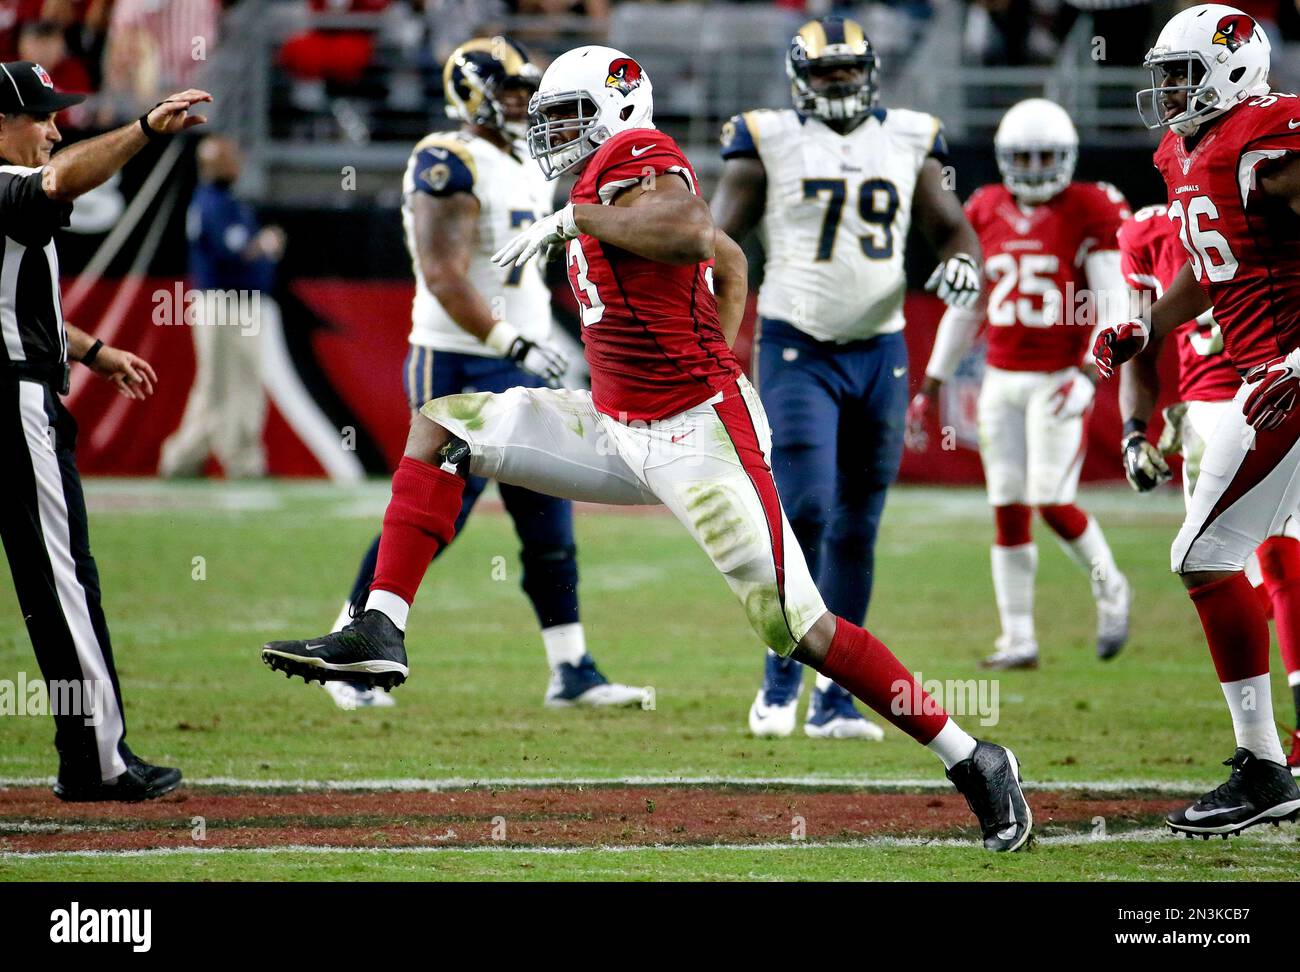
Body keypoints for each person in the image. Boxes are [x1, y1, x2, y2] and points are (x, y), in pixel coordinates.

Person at [261, 45, 1033, 852]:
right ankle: (380, 626)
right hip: (616, 425)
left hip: (698, 437)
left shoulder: (638, 152)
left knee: (800, 630)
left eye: (568, 115)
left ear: (617, 106)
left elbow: (695, 233)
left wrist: (604, 246)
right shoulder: (601, 175)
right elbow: (731, 259)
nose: (553, 132)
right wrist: (712, 338)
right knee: (443, 428)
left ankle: (974, 757)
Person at [320, 36, 648, 711]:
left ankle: (571, 668)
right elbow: (443, 275)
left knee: (548, 517)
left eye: (528, 91)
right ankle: (349, 647)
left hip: (520, 357)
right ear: (471, 95)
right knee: (434, 512)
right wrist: (511, 340)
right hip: (459, 359)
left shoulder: (530, 160)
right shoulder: (449, 158)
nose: (525, 104)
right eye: (511, 92)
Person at [711, 16, 983, 739]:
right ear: (800, 78)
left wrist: (963, 263)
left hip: (880, 351)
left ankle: (835, 699)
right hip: (797, 348)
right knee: (804, 510)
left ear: (870, 73)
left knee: (858, 526)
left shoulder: (912, 136)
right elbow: (718, 237)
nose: (838, 82)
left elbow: (951, 227)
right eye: (825, 71)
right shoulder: (767, 136)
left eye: (849, 69)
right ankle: (778, 679)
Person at [1092, 3, 1300, 835]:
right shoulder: (1186, 151)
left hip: (1282, 376)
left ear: (1234, 67)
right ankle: (1266, 766)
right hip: (1265, 375)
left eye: (1183, 75)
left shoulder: (1267, 135)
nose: (1170, 92)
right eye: (1165, 77)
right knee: (1227, 555)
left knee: (1204, 553)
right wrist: (1149, 325)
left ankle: (1264, 769)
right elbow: (1215, 270)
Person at [0, 60, 210, 800]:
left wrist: (91, 351)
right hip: (13, 405)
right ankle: (95, 759)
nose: (54, 130)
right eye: (40, 116)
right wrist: (146, 127)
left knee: (51, 581)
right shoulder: (9, 185)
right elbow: (59, 182)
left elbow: (18, 301)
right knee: (62, 581)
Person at [907, 98, 1133, 670]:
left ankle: (1111, 588)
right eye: (1023, 157)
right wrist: (931, 384)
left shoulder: (1090, 205)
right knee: (1007, 506)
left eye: (1045, 156)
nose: (1033, 168)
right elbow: (966, 307)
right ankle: (1018, 638)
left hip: (1058, 377)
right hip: (1000, 378)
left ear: (1067, 156)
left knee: (1052, 501)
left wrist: (1091, 373)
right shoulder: (985, 206)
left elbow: (1115, 302)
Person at [1117, 203, 1300, 776]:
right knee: (1234, 571)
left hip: (1278, 384)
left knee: (1274, 562)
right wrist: (1132, 431)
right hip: (1210, 413)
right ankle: (1266, 753)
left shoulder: (1265, 190)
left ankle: (1270, 755)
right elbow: (1141, 338)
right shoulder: (1149, 230)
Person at [159, 135, 283, 480]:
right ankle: (228, 460)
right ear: (214, 165)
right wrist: (267, 243)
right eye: (229, 159)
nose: (237, 164)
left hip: (230, 302)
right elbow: (238, 250)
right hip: (227, 303)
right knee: (231, 383)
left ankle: (191, 458)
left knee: (223, 383)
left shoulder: (223, 201)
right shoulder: (215, 204)